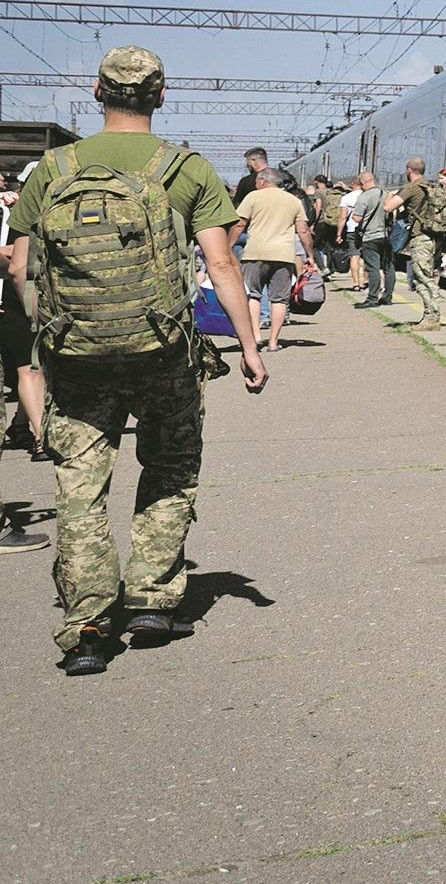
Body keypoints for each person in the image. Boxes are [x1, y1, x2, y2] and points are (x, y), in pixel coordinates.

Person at [8, 45, 267, 677]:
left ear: (97, 92)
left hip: (76, 358)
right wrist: (251, 346)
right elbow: (222, 264)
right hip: (165, 353)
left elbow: (20, 267)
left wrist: (43, 347)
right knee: (169, 468)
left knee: (80, 486)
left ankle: (90, 626)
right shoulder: (186, 168)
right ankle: (153, 600)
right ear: (160, 94)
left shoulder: (52, 167)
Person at [230, 169, 319, 353]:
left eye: (256, 181)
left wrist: (227, 245)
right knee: (279, 299)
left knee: (253, 295)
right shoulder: (293, 200)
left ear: (263, 181)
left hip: (255, 254)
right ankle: (273, 342)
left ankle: (255, 337)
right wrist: (310, 255)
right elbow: (303, 230)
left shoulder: (253, 197)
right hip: (283, 255)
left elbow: (239, 224)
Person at [0, 168, 47, 461]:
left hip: (21, 292)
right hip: (20, 295)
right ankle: (42, 435)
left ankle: (25, 427)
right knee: (31, 367)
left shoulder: (21, 211)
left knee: (31, 368)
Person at [381, 157, 442, 332]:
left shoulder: (412, 187)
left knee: (422, 278)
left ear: (409, 170)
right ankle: (429, 315)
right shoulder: (431, 186)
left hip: (421, 238)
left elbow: (388, 208)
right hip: (434, 238)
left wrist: (390, 196)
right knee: (428, 275)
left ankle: (432, 318)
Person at [349, 171, 394, 308]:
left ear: (363, 183)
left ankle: (373, 298)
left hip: (370, 237)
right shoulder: (385, 194)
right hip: (386, 236)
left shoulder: (364, 197)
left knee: (373, 268)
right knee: (388, 267)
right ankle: (387, 297)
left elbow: (357, 218)